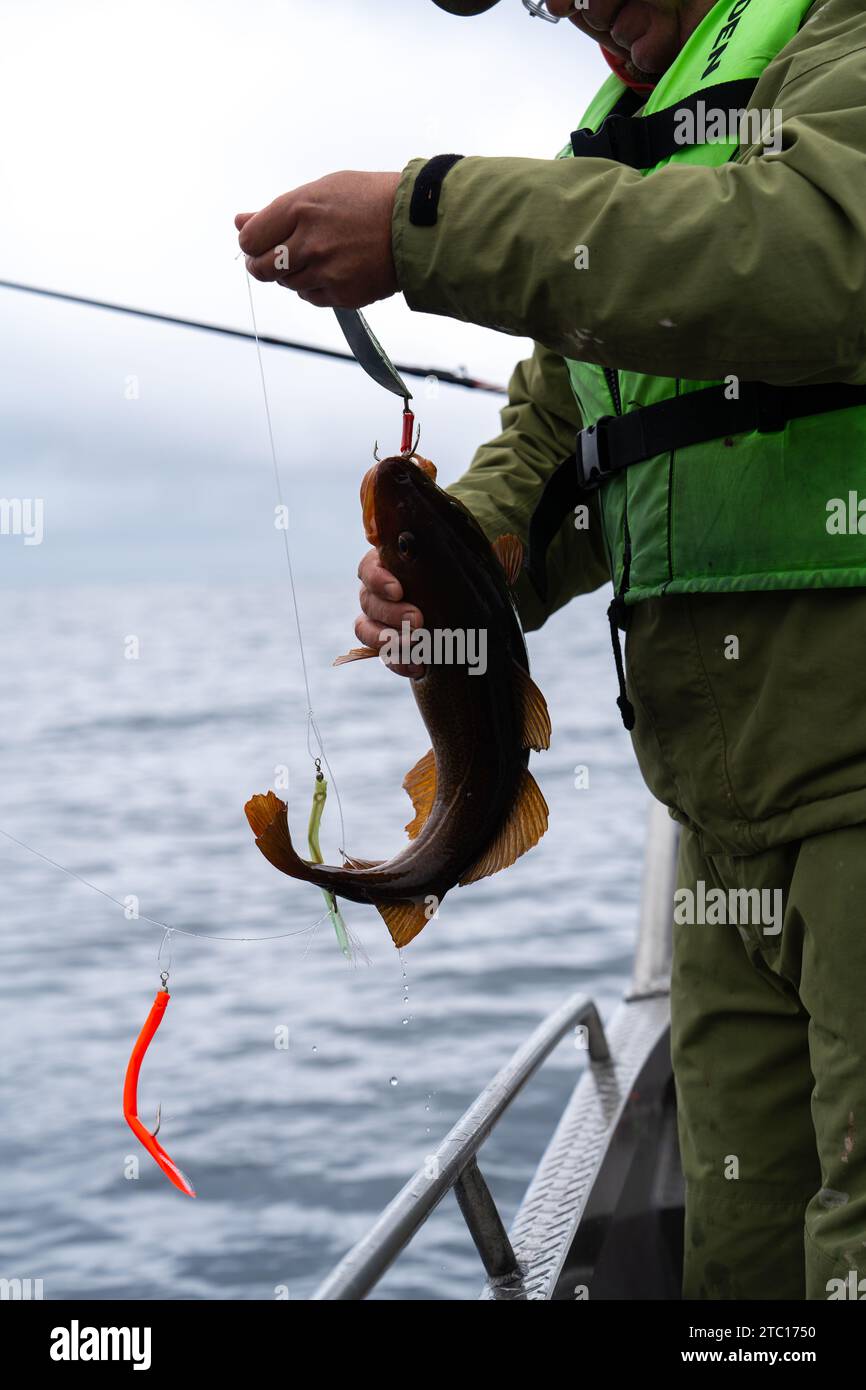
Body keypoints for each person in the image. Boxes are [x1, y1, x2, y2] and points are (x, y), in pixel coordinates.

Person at [236, 0, 866, 1301]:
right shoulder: (622, 143)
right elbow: (554, 449)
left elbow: (819, 244)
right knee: (737, 1273)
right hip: (718, 827)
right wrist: (453, 563)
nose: (570, 12)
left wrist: (428, 225)